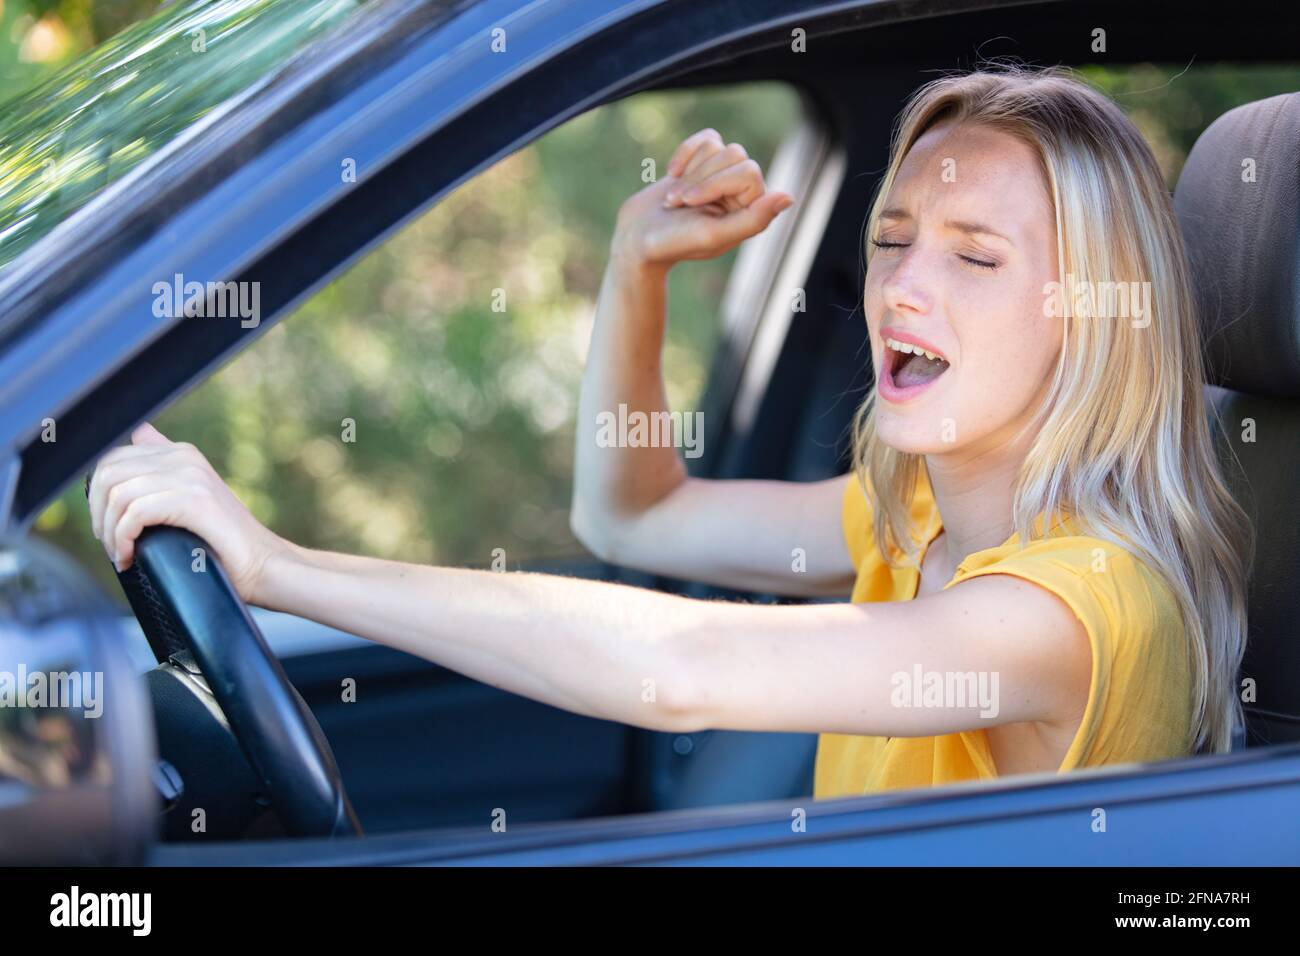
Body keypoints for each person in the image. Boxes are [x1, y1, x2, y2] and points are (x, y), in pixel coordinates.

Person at [88, 65, 1251, 800]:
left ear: (1096, 317)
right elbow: (632, 514)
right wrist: (636, 271)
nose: (901, 284)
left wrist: (278, 565)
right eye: (893, 236)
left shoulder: (1079, 607)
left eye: (975, 256)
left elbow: (678, 668)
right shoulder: (908, 519)